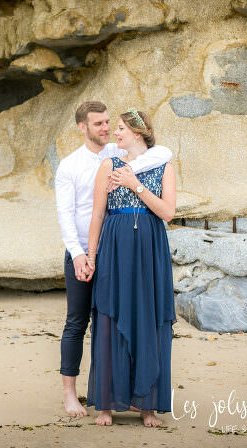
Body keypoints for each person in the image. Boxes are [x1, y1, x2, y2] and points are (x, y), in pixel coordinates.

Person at [54, 102, 171, 417]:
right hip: (83, 251)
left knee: (130, 320)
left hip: (119, 252)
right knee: (79, 321)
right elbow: (69, 216)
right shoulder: (70, 165)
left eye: (110, 123)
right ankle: (71, 395)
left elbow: (159, 154)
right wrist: (82, 255)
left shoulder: (123, 156)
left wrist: (135, 181)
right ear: (83, 127)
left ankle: (135, 395)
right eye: (99, 124)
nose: (106, 129)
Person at [85, 109, 177, 427]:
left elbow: (167, 212)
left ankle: (147, 404)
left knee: (148, 319)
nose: (116, 133)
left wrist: (135, 185)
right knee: (110, 318)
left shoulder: (164, 166)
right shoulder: (108, 165)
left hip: (150, 249)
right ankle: (107, 404)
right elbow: (98, 214)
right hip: (115, 246)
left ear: (137, 133)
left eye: (121, 128)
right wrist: (92, 256)